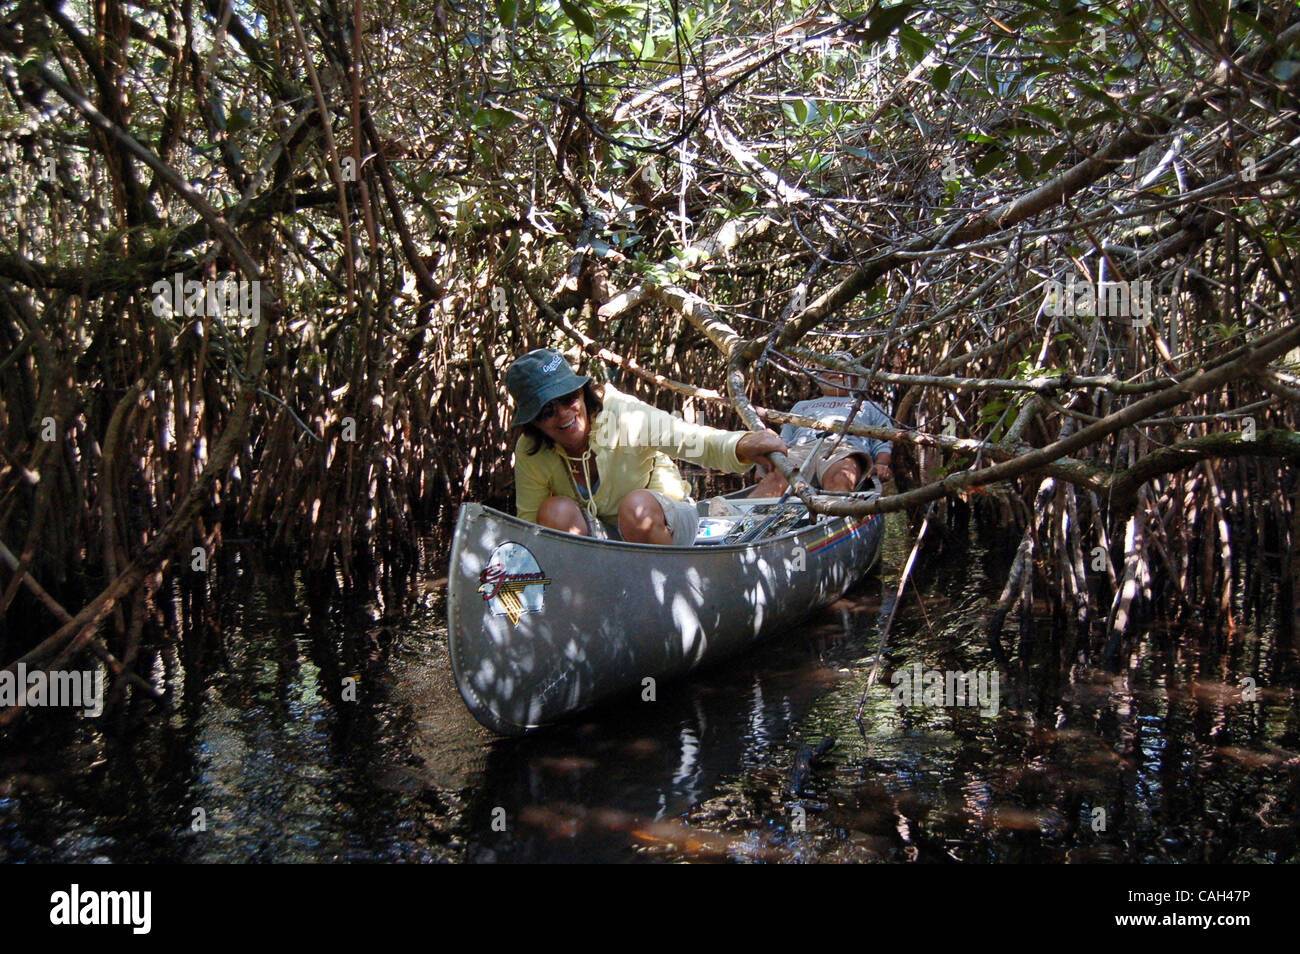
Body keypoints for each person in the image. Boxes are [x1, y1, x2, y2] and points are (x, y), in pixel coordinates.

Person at [505, 349, 789, 545]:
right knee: (554, 512)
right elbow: (528, 527)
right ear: (533, 422)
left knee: (636, 507)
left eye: (568, 398)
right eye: (546, 411)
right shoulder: (530, 450)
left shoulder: (622, 413)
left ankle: (676, 586)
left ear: (582, 392)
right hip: (606, 535)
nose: (564, 414)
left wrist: (743, 443)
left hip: (666, 521)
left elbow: (691, 440)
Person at [750, 352, 893, 497]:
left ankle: (837, 516)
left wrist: (882, 464)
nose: (835, 372)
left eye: (842, 368)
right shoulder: (802, 405)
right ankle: (748, 518)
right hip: (800, 449)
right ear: (820, 377)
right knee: (776, 479)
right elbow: (784, 440)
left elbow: (882, 441)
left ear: (855, 378)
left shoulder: (869, 406)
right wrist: (768, 464)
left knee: (839, 477)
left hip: (843, 449)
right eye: (829, 368)